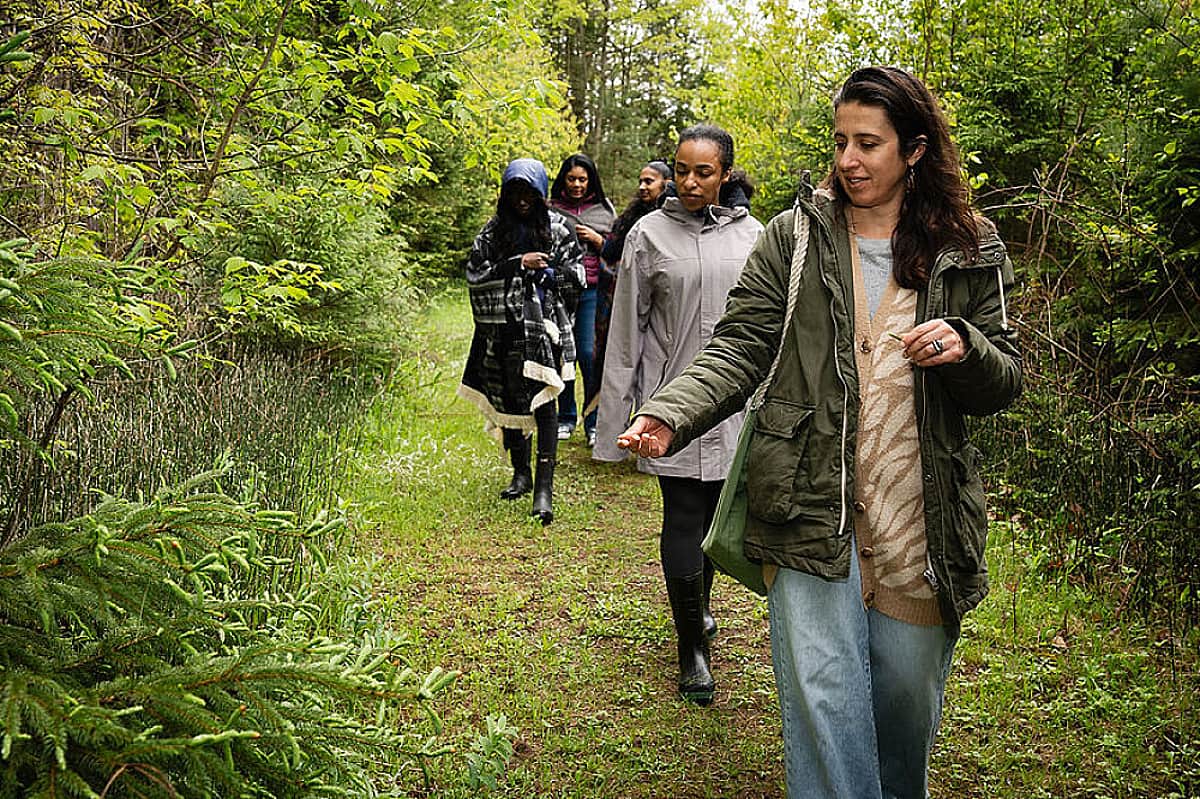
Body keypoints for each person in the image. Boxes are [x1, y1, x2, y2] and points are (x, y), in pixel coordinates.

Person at [617, 66, 1022, 797]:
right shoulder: (794, 235)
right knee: (823, 708)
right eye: (840, 142)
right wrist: (668, 411)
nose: (848, 160)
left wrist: (966, 345)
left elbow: (1005, 377)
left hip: (917, 520)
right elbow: (739, 343)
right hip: (804, 503)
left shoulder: (968, 244)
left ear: (916, 150)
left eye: (869, 143)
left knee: (904, 707)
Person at [594, 124, 764, 706]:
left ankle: (701, 606)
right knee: (684, 516)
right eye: (682, 170)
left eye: (704, 172)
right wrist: (614, 422)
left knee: (716, 518)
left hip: (737, 404)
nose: (690, 182)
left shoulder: (755, 237)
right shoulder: (648, 234)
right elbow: (626, 332)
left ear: (725, 174)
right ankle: (692, 643)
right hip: (671, 404)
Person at [457, 158, 585, 525]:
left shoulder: (561, 229)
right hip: (502, 331)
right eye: (515, 191)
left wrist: (547, 275)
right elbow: (475, 275)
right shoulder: (493, 232)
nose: (522, 199)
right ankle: (521, 473)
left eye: (530, 191)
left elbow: (576, 277)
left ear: (542, 193)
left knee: (545, 402)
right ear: (505, 193)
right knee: (510, 400)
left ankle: (544, 488)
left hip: (544, 330)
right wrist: (516, 264)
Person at [589, 160, 674, 431]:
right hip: (622, 299)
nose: (642, 186)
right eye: (641, 181)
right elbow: (611, 251)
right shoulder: (632, 216)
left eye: (649, 181)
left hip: (663, 305)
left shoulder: (676, 217)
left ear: (666, 183)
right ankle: (605, 424)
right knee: (611, 361)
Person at [548, 153, 617, 447]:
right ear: (563, 179)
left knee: (589, 354)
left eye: (582, 179)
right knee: (564, 353)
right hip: (559, 291)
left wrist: (598, 240)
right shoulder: (551, 209)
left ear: (591, 181)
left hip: (592, 290)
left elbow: (617, 251)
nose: (577, 184)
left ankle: (594, 421)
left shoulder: (604, 211)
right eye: (572, 178)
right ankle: (565, 417)